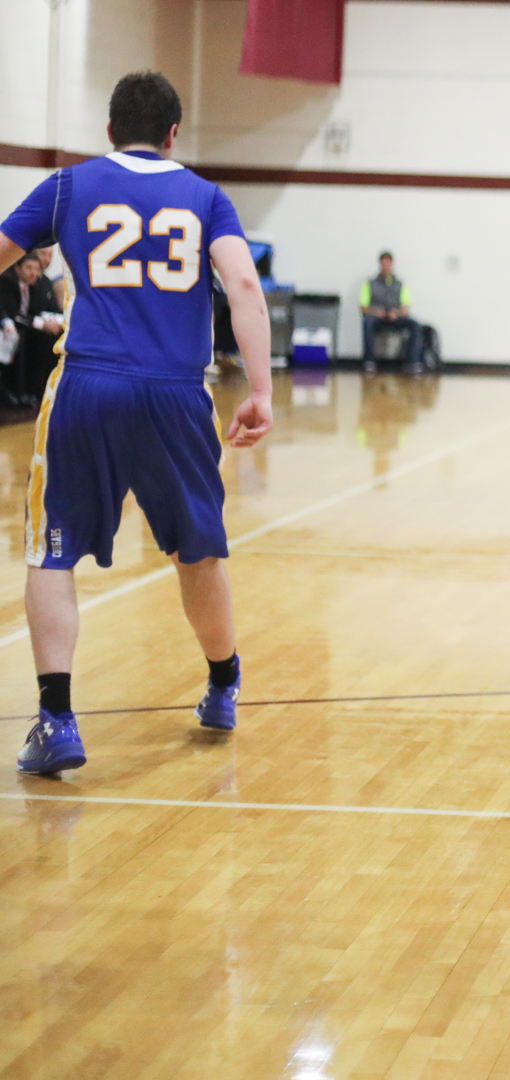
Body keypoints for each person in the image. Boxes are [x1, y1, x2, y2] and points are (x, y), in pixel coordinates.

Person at [1, 71, 274, 775]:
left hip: (88, 386)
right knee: (197, 552)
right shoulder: (206, 198)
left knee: (50, 549)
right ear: (174, 133)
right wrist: (263, 392)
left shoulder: (67, 186)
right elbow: (244, 286)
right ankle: (222, 683)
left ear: (110, 129)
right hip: (178, 394)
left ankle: (57, 721)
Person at [0, 251, 64, 405]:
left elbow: (34, 312)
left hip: (21, 327)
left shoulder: (36, 284)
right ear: (17, 267)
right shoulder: (7, 282)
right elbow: (12, 313)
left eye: (36, 269)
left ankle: (39, 390)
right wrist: (41, 324)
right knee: (20, 339)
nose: (33, 273)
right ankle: (15, 393)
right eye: (29, 268)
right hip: (7, 328)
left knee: (49, 338)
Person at [360, 251, 422, 370]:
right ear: (380, 264)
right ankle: (369, 361)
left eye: (388, 263)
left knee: (415, 324)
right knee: (367, 322)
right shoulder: (369, 283)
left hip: (396, 317)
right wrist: (378, 313)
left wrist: (396, 313)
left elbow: (405, 308)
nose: (386, 266)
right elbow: (364, 307)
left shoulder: (400, 284)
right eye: (384, 263)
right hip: (377, 317)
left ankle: (412, 361)